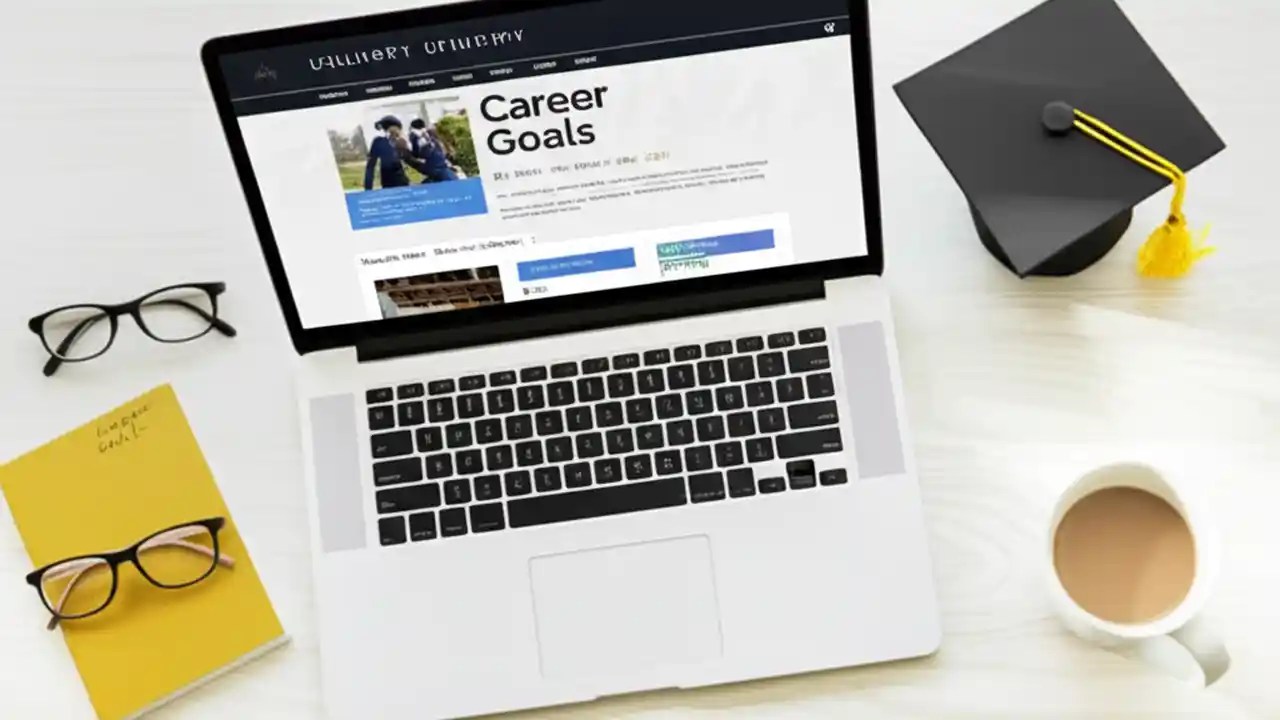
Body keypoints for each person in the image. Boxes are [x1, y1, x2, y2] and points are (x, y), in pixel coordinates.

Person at [363, 116, 411, 191]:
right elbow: (370, 166)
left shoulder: (401, 142)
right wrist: (368, 188)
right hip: (389, 184)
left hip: (402, 182)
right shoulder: (379, 142)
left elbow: (410, 160)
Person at [408, 118, 458, 183]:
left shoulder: (417, 136)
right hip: (439, 164)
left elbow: (418, 152)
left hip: (434, 166)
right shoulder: (429, 134)